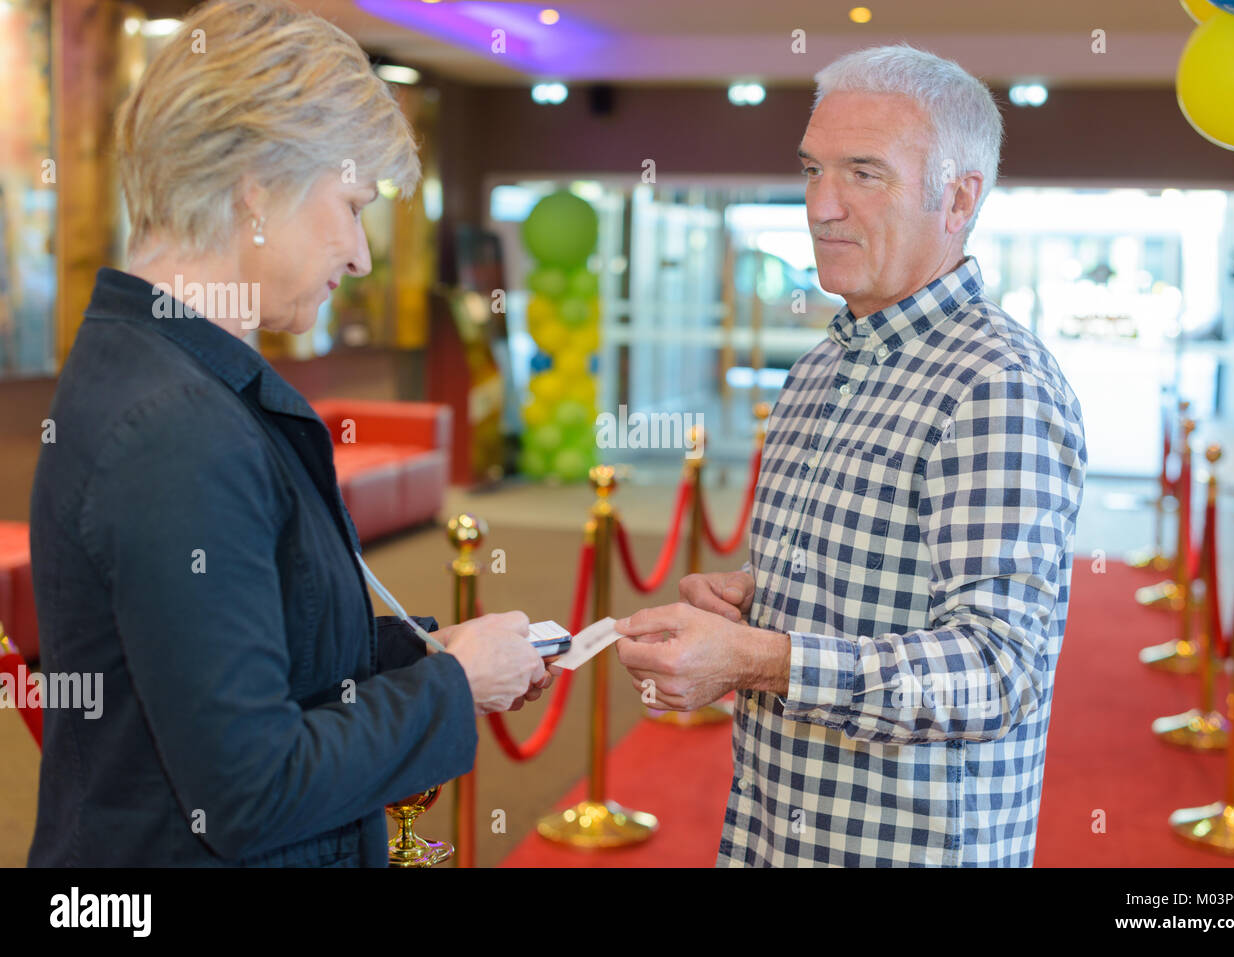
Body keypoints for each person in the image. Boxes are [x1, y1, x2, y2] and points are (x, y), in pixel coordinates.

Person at [27, 0, 555, 867]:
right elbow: (251, 788)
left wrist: (420, 654)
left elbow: (254, 639)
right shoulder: (175, 428)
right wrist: (452, 688)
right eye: (350, 206)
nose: (360, 256)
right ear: (257, 188)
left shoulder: (166, 372)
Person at [615, 45, 1087, 866]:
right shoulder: (819, 368)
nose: (821, 206)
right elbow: (884, 579)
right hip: (775, 826)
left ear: (959, 197)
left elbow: (996, 667)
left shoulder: (996, 385)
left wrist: (760, 657)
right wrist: (756, 602)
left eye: (865, 173)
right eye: (811, 170)